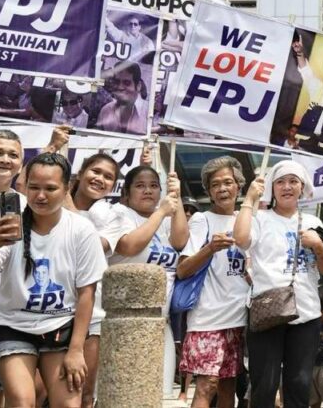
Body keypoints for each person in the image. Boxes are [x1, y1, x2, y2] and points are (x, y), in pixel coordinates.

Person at [0, 153, 106, 408]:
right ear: (23, 186)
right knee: (23, 401)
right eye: (34, 187)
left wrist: (76, 350)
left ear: (67, 188)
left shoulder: (81, 229)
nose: (41, 195)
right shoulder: (11, 224)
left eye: (50, 188)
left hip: (60, 327)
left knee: (68, 404)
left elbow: (87, 293)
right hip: (12, 324)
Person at [0, 126, 65, 408]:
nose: (4, 159)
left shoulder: (30, 206)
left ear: (21, 165)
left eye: (13, 155)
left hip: (2, 323)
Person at [233, 160, 323, 408]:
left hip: (306, 313)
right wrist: (249, 200)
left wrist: (319, 246)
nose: (287, 187)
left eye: (293, 181)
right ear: (272, 188)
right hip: (268, 311)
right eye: (280, 181)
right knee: (264, 386)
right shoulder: (260, 218)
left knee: (299, 385)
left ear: (302, 187)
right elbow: (241, 239)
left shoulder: (315, 222)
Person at [109, 164, 190, 398]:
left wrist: (177, 199)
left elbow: (180, 242)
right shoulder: (120, 213)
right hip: (123, 324)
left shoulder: (166, 218)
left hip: (160, 324)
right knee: (122, 396)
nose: (148, 191)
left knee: (160, 396)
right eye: (140, 186)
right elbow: (129, 246)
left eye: (154, 186)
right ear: (126, 193)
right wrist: (161, 212)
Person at [177, 157, 251, 408]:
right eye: (216, 184)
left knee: (228, 386)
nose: (222, 189)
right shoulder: (202, 220)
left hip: (240, 318)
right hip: (207, 319)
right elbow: (183, 269)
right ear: (208, 191)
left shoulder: (249, 218)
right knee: (207, 385)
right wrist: (209, 248)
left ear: (239, 186)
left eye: (228, 182)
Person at [65, 151, 123, 408]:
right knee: (38, 392)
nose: (100, 179)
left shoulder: (113, 216)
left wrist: (65, 200)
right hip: (47, 309)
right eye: (95, 171)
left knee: (84, 392)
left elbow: (90, 246)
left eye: (108, 177)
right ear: (80, 173)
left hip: (93, 313)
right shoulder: (47, 203)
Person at [95, 61, 149, 135]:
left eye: (127, 83)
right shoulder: (105, 111)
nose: (120, 87)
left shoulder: (148, 113)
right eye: (117, 82)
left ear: (138, 86)